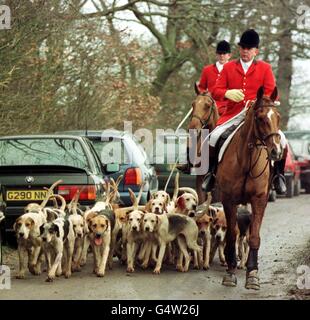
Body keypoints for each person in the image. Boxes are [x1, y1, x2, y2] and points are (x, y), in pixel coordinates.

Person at [202, 29, 287, 194]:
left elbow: (270, 91)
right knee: (213, 137)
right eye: (243, 48)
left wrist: (260, 103)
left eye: (249, 48)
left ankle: (278, 175)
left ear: (256, 51)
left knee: (282, 140)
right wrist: (226, 93)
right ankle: (211, 174)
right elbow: (215, 90)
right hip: (233, 114)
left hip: (259, 116)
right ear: (239, 49)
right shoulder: (228, 67)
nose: (245, 51)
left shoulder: (265, 68)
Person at [198, 40, 232, 116]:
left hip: (227, 106)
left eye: (224, 53)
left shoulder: (234, 70)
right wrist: (205, 95)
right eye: (219, 53)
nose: (222, 56)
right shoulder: (207, 70)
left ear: (229, 55)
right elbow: (201, 88)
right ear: (216, 55)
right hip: (209, 105)